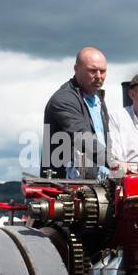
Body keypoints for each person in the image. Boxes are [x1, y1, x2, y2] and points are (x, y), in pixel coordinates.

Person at [42, 46, 112, 179]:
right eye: (92, 71)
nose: (98, 76)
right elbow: (82, 137)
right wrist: (114, 162)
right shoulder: (63, 99)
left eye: (102, 71)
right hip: (67, 186)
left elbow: (105, 140)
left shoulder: (99, 100)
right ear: (76, 69)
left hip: (100, 182)